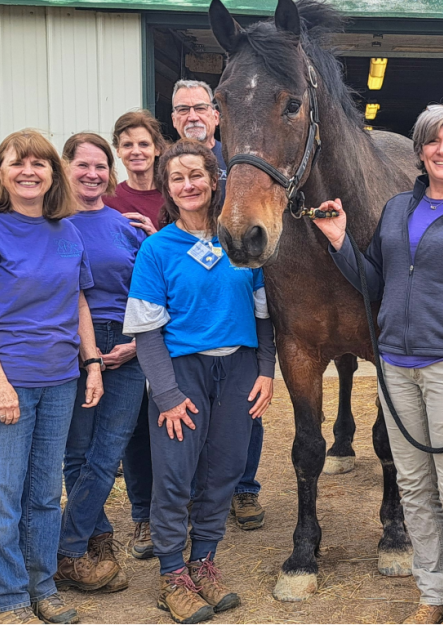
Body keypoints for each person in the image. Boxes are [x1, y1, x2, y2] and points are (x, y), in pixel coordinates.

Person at [313, 104, 443, 625]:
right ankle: (433, 593)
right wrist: (339, 242)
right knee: (416, 487)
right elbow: (375, 283)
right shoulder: (398, 208)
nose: (442, 150)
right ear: (420, 150)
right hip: (396, 367)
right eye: (433, 141)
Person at [0, 129, 104, 625]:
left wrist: (92, 362)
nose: (28, 172)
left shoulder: (67, 231)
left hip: (59, 380)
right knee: (1, 494)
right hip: (2, 382)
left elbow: (79, 301)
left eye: (39, 164)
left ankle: (42, 586)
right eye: (17, 163)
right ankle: (8, 596)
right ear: (0, 172)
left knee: (43, 493)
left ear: (51, 173)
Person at [123, 139, 276, 624]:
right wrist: (166, 394)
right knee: (174, 474)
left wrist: (267, 371)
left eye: (197, 175)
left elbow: (265, 316)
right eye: (177, 178)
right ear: (168, 189)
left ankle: (203, 560)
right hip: (182, 371)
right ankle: (172, 573)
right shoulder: (156, 248)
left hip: (238, 369)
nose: (188, 185)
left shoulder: (238, 240)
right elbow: (146, 331)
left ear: (215, 181)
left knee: (225, 468)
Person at [55, 132, 147, 594]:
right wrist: (82, 348)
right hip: (71, 346)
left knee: (108, 451)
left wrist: (135, 343)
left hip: (128, 346)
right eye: (83, 165)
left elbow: (152, 292)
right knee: (77, 453)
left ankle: (65, 547)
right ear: (65, 166)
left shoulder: (125, 226)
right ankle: (97, 538)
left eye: (100, 166)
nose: (92, 174)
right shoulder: (50, 223)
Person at [171, 78, 264, 531]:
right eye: (182, 109)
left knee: (244, 401)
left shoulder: (241, 159)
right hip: (188, 301)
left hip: (237, 292)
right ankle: (195, 493)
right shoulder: (171, 166)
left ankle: (244, 488)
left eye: (200, 108)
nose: (192, 116)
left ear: (216, 115)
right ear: (173, 118)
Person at [102, 109, 169, 560]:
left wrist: (155, 235)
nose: (136, 152)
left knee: (176, 422)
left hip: (173, 323)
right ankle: (143, 517)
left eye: (144, 144)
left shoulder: (178, 191)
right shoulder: (106, 200)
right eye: (127, 145)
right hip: (124, 323)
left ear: (157, 148)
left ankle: (181, 510)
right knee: (135, 431)